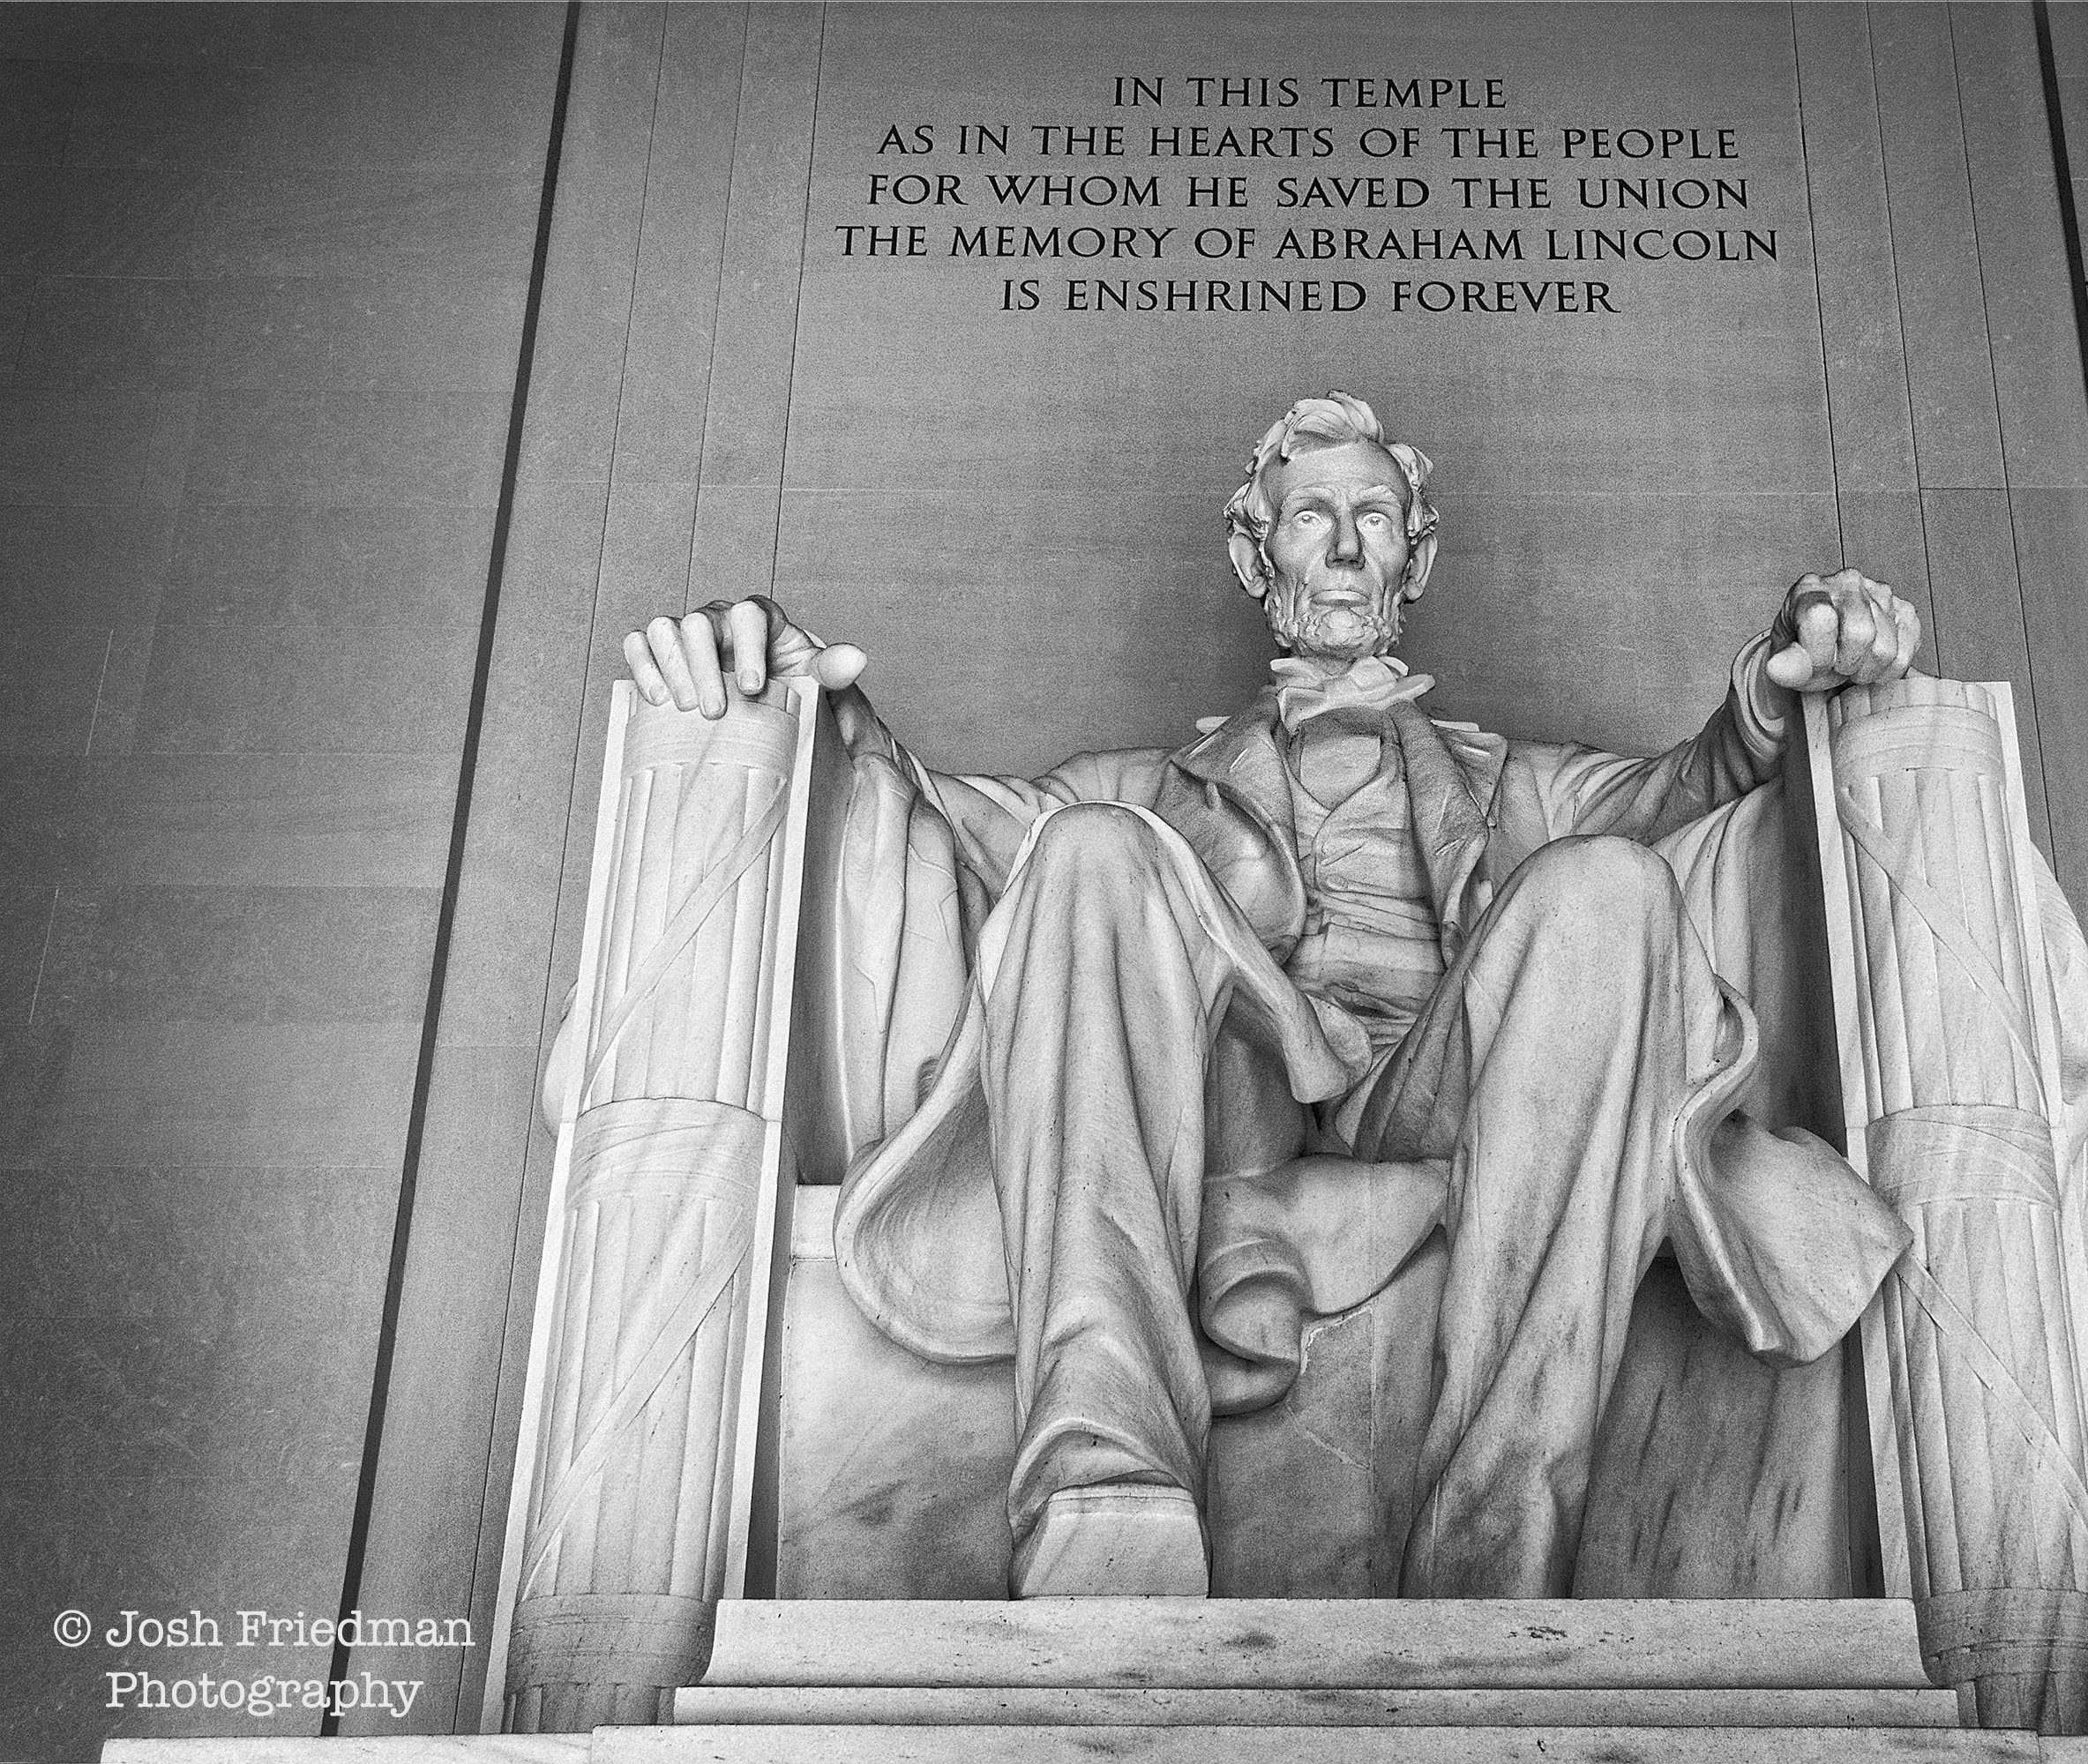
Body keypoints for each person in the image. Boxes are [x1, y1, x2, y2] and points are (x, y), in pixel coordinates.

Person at [625, 392, 1923, 1600]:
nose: (1348, 547)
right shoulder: (1144, 781)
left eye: (1374, 521)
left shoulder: (1521, 781)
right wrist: (804, 703)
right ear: (1262, 562)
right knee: (1083, 852)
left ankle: (1502, 1525)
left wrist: (1774, 687)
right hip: (1237, 1087)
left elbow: (1694, 784)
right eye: (1315, 516)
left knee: (1611, 889)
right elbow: (938, 812)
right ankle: (1103, 1482)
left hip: (1447, 1090)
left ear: (1413, 560)